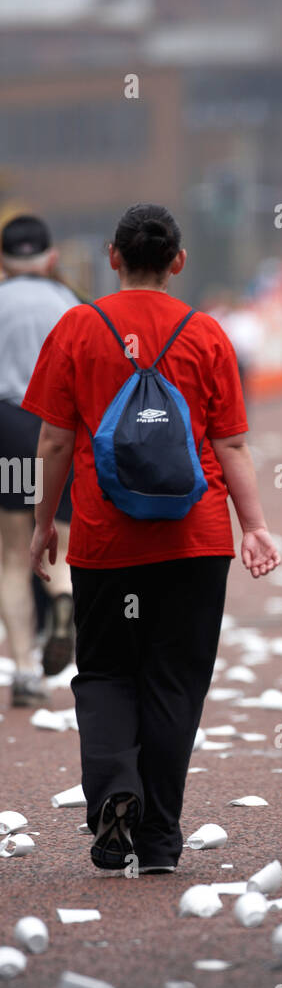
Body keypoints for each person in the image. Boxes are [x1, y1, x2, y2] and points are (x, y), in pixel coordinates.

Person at [25, 202, 280, 875]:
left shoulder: (78, 326)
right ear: (178, 261)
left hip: (106, 540)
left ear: (113, 257)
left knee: (107, 671)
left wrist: (44, 522)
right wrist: (252, 526)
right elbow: (231, 444)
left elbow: (54, 440)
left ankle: (115, 793)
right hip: (195, 540)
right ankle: (161, 839)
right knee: (175, 681)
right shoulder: (208, 334)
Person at [0, 214, 79, 706]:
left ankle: (26, 669)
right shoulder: (69, 306)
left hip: (7, 427)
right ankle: (63, 598)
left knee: (10, 555)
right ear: (51, 257)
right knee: (61, 546)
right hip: (59, 429)